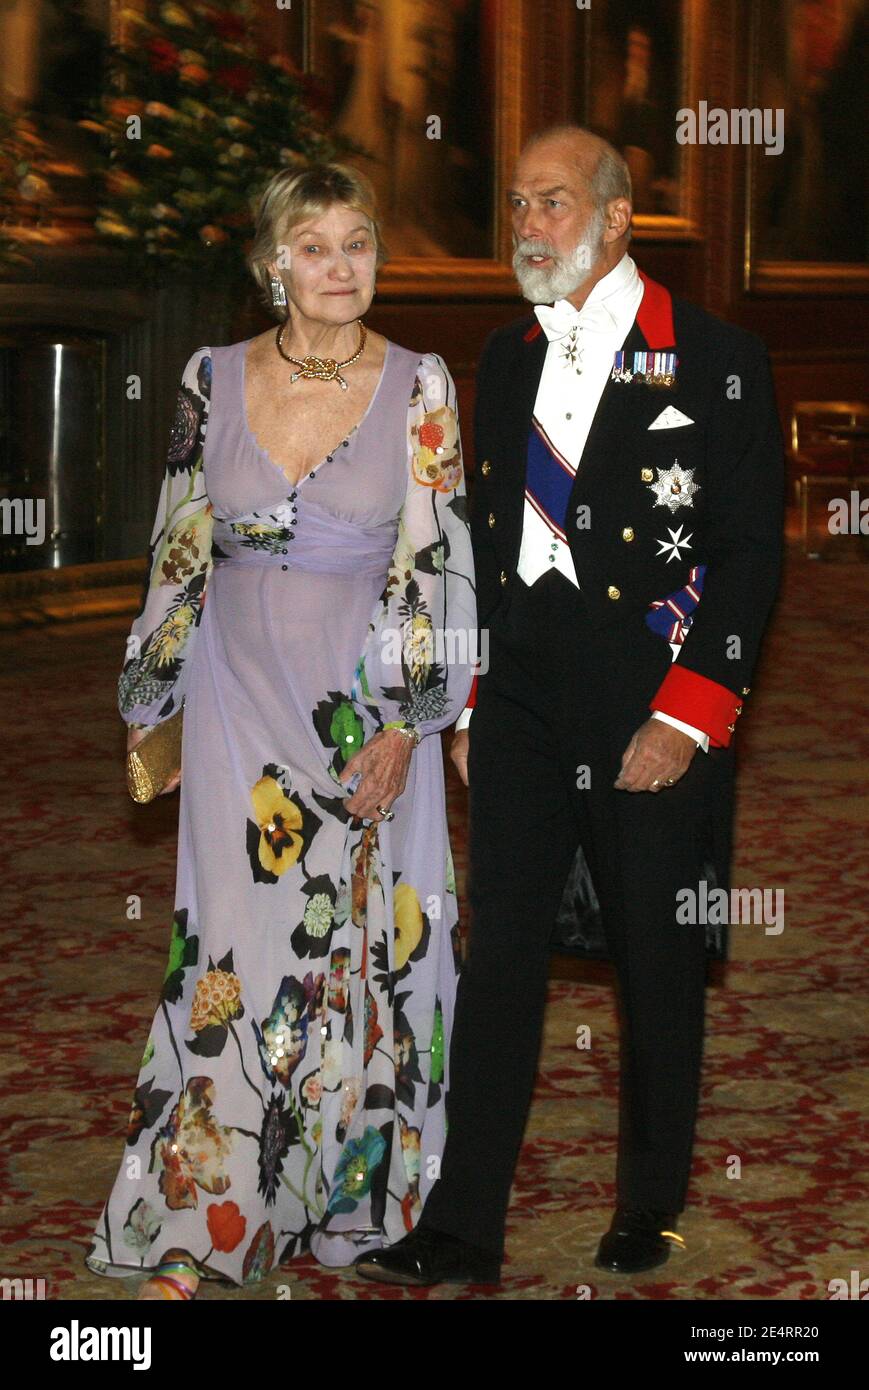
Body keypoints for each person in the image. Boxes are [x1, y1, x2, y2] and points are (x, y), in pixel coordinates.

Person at [355, 125, 784, 1287]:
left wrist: (686, 716)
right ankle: (463, 1219)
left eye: (550, 202)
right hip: (524, 705)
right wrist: (471, 699)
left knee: (654, 953)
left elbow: (746, 558)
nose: (527, 225)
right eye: (514, 205)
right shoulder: (500, 357)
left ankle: (648, 1204)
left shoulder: (716, 356)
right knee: (498, 953)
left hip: (650, 700)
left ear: (615, 215)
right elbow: (483, 552)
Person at [83, 162, 476, 1299]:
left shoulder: (420, 384)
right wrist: (148, 696)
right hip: (234, 703)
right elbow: (180, 539)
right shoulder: (211, 376)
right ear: (273, 264)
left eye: (358, 244)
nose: (341, 267)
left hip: (361, 710)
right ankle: (208, 1217)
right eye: (316, 247)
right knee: (232, 955)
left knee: (359, 951)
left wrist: (408, 725)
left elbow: (438, 566)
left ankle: (346, 1191)